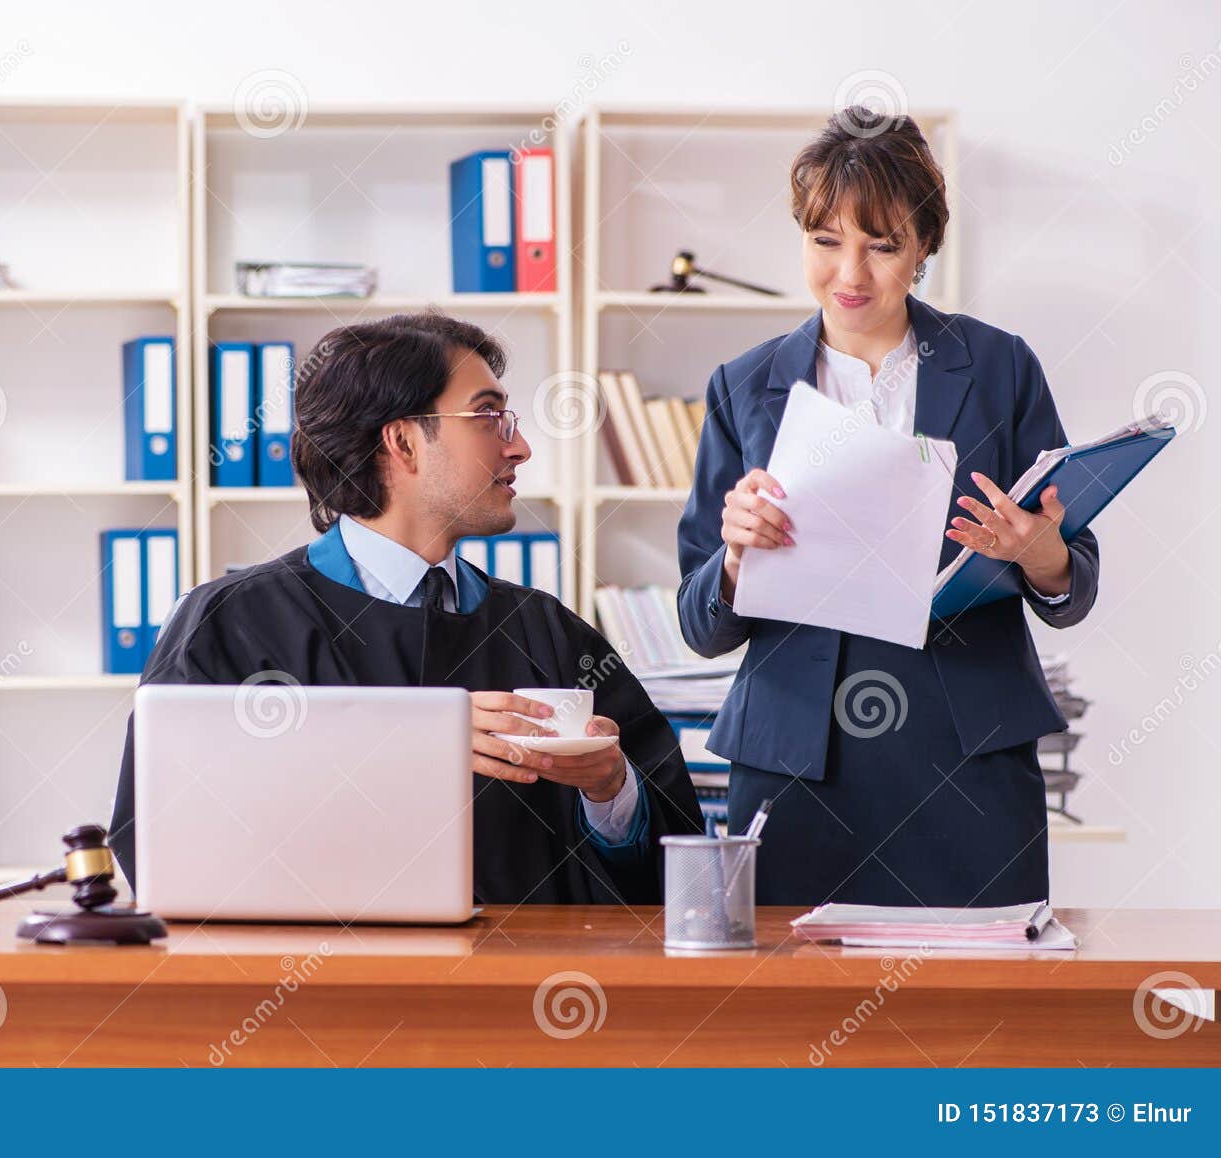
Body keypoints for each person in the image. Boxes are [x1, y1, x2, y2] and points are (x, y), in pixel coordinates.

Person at [112, 312, 703, 904]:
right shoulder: (226, 626)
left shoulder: (548, 632)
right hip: (312, 988)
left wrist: (612, 792)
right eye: (489, 416)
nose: (519, 446)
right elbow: (163, 839)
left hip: (518, 987)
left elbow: (680, 868)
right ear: (402, 442)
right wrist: (405, 745)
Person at [676, 107, 1098, 908]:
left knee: (980, 1014)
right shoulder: (743, 385)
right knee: (791, 1013)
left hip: (966, 750)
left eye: (882, 245)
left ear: (925, 247)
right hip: (798, 757)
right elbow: (700, 623)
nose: (851, 274)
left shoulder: (1001, 367)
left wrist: (1036, 552)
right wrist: (733, 560)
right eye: (826, 241)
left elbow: (1073, 583)